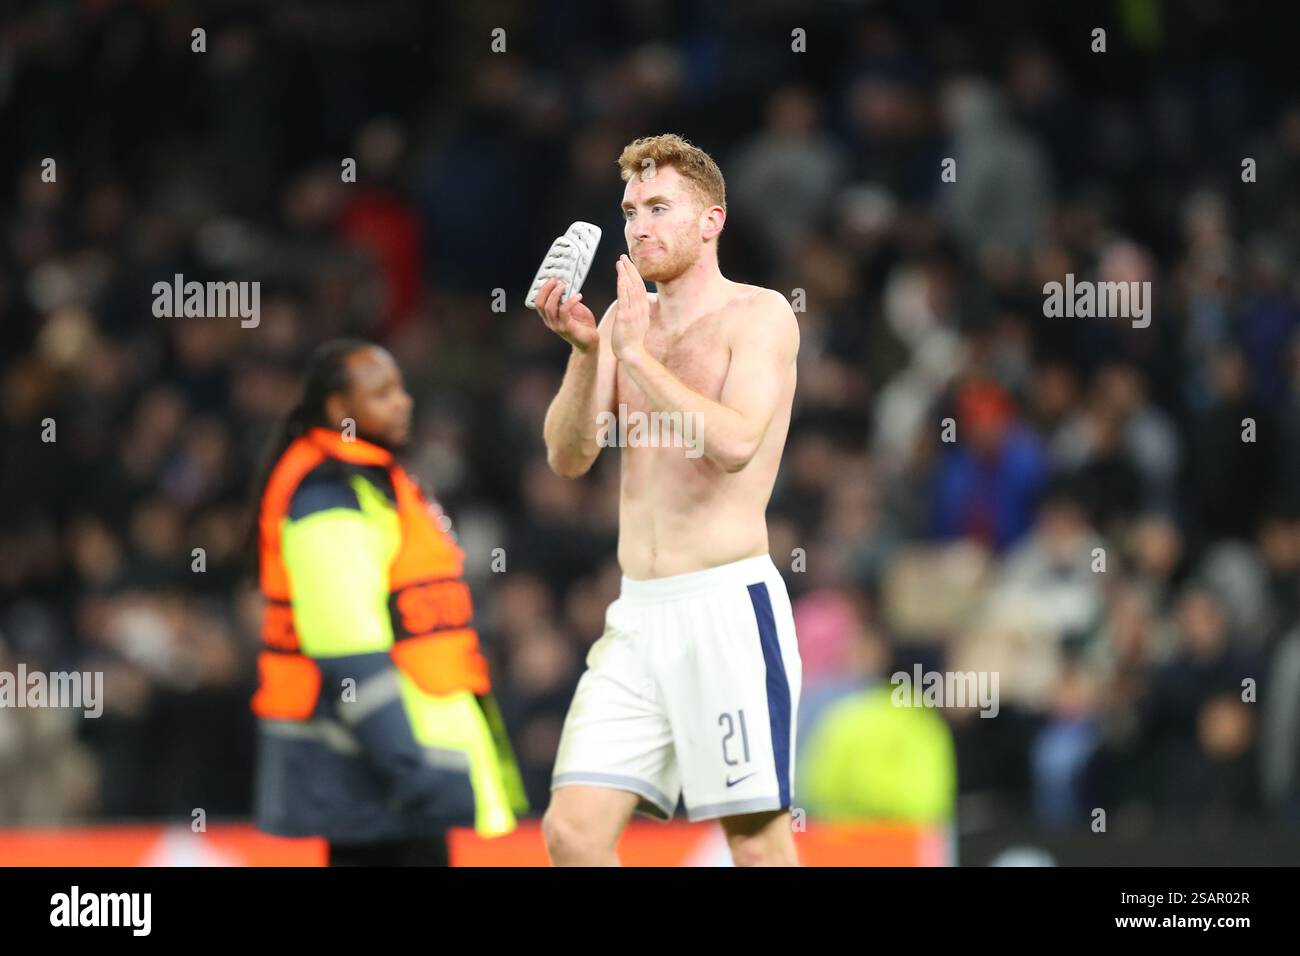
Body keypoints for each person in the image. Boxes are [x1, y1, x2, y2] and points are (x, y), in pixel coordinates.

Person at [535, 133, 803, 866]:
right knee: (572, 833)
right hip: (638, 615)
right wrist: (589, 355)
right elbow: (568, 456)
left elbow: (735, 443)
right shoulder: (624, 325)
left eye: (660, 207)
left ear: (712, 220)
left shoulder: (761, 316)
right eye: (629, 210)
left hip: (726, 609)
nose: (639, 226)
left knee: (756, 844)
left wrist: (637, 360)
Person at [248, 339, 527, 866]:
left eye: (400, 389)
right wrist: (406, 764)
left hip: (400, 767)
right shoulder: (327, 497)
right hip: (375, 765)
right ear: (338, 410)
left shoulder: (376, 485)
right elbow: (346, 646)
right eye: (381, 394)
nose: (403, 402)